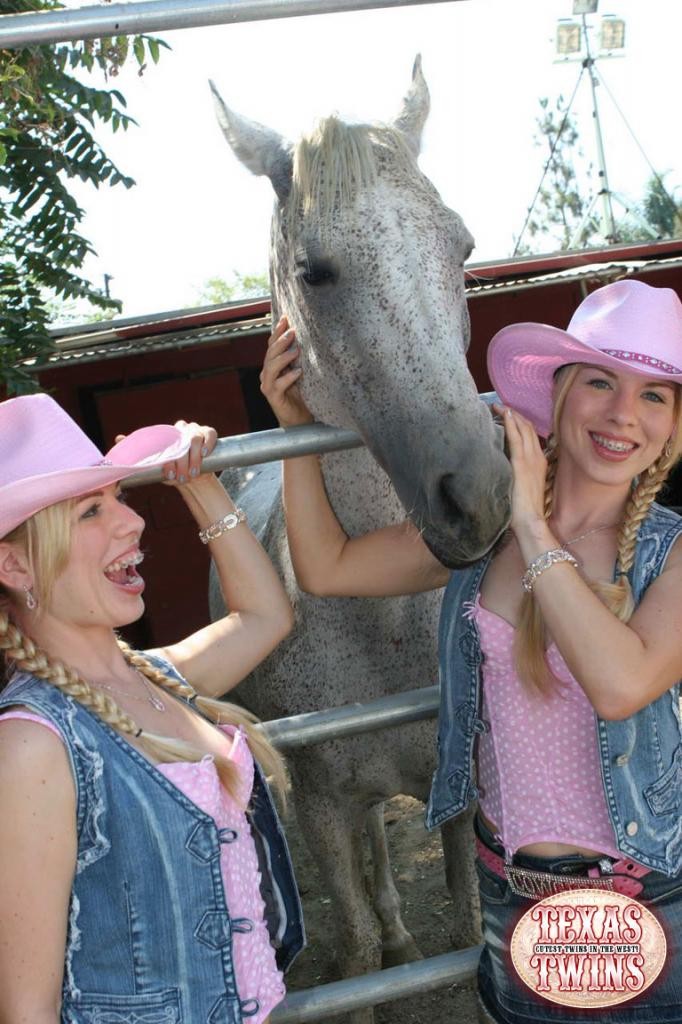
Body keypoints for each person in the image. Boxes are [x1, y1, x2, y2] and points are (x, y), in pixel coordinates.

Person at [260, 278, 682, 1021]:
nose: (624, 415)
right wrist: (294, 433)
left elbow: (621, 683)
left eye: (655, 395)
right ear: (555, 395)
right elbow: (327, 567)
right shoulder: (487, 538)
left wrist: (532, 521)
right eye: (600, 382)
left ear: (672, 423)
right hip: (505, 895)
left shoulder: (668, 555)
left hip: (636, 901)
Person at [0, 394, 304, 1024]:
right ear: (14, 563)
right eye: (90, 511)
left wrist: (199, 484)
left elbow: (264, 616)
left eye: (121, 498)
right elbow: (26, 1009)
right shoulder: (32, 744)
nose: (131, 523)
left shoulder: (157, 678)